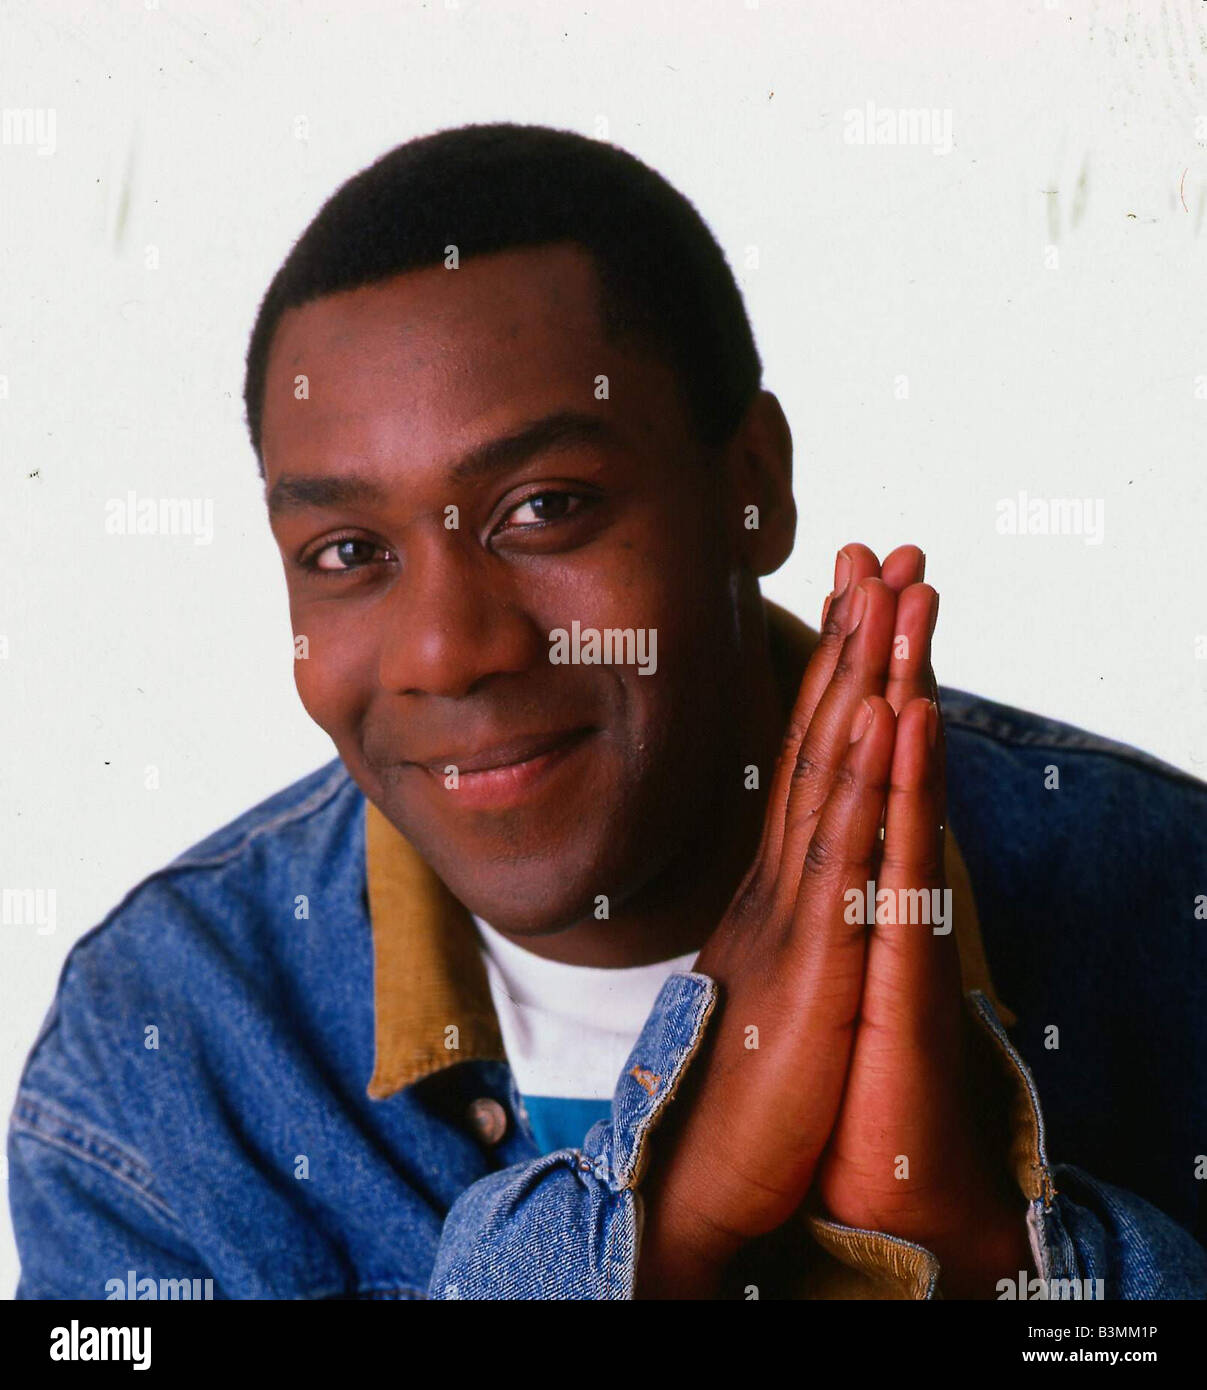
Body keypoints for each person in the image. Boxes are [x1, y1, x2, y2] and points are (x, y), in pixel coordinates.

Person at [9, 123, 1206, 1300]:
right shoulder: (165, 1042)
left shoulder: (1165, 901)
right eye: (347, 550)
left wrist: (983, 1248)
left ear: (752, 487)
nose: (445, 651)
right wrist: (661, 1225)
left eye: (546, 507)